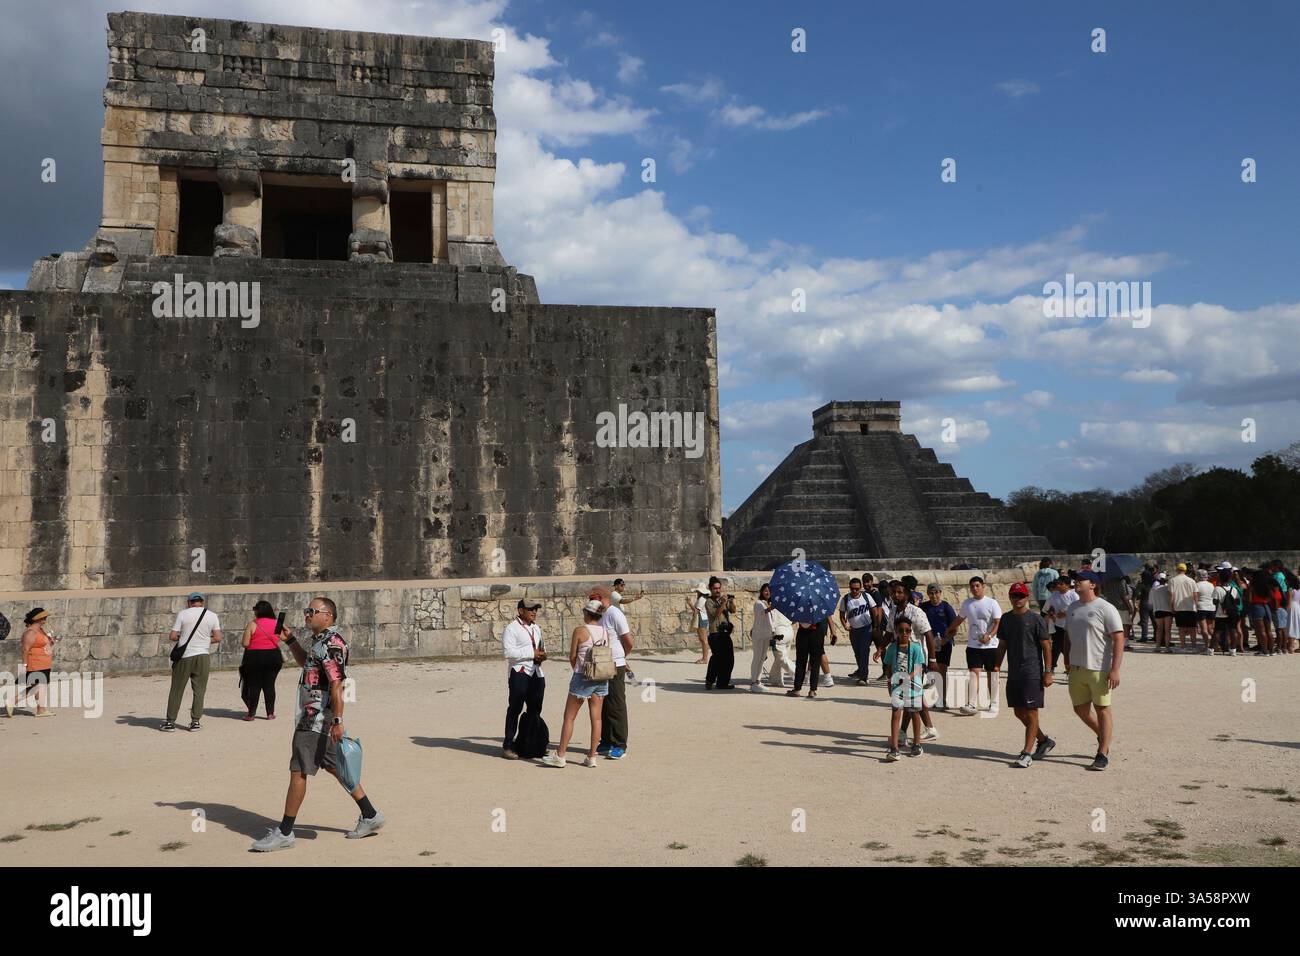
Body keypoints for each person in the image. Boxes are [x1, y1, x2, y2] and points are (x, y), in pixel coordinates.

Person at [250, 597, 384, 851]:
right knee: (336, 767)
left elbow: (336, 684)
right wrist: (290, 641)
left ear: (328, 616)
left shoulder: (332, 644)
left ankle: (285, 832)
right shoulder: (321, 642)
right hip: (316, 717)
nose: (307, 614)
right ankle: (370, 815)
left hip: (315, 718)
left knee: (299, 770)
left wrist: (337, 720)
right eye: (307, 610)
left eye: (312, 611)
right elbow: (309, 667)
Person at [1062, 571, 1124, 772]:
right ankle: (1102, 733)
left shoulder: (1105, 608)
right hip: (1077, 667)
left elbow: (1118, 638)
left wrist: (1115, 669)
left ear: (1093, 585)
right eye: (1076, 579)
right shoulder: (1072, 607)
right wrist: (1066, 658)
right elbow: (1067, 636)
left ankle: (1102, 752)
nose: (1077, 582)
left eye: (1081, 580)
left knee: (1102, 709)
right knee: (1079, 708)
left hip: (1099, 668)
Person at [541, 600, 608, 768]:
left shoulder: (580, 630)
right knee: (597, 718)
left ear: (586, 613)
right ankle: (592, 756)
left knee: (569, 717)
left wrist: (577, 670)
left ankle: (561, 755)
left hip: (582, 676)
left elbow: (572, 656)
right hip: (601, 676)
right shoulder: (605, 631)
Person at [995, 583, 1054, 768]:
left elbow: (1046, 646)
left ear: (1027, 597)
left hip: (1032, 671)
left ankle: (1026, 752)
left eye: (1021, 595)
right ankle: (1044, 740)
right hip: (1013, 672)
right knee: (1018, 712)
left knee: (1031, 711)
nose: (1017, 599)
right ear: (1010, 597)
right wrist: (996, 665)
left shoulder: (1036, 619)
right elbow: (1002, 644)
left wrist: (1048, 672)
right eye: (1014, 595)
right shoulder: (1005, 619)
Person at [163, 593, 222, 732]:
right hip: (203, 655)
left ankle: (170, 722)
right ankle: (195, 721)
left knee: (176, 690)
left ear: (189, 602)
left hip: (185, 655)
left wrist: (183, 637)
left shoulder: (183, 614)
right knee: (199, 691)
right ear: (202, 602)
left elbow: (172, 636)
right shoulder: (212, 615)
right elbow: (218, 637)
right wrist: (204, 641)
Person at [947, 576, 1003, 716]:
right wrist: (947, 631)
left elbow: (998, 622)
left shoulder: (992, 603)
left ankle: (994, 702)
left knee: (992, 674)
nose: (975, 588)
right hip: (973, 645)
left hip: (991, 645)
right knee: (973, 673)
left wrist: (989, 636)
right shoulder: (967, 603)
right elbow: (959, 619)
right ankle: (971, 703)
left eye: (977, 585)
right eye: (972, 586)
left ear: (983, 586)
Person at [591, 586, 633, 758]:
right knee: (603, 703)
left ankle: (619, 743)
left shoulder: (615, 614)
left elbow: (628, 641)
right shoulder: (598, 615)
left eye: (593, 599)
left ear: (601, 598)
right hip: (601, 663)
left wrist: (622, 657)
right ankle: (606, 740)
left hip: (615, 663)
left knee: (616, 704)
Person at [501, 600, 546, 759]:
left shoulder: (536, 628)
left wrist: (541, 655)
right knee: (515, 708)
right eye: (530, 609)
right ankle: (508, 744)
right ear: (521, 611)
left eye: (535, 609)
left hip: (536, 672)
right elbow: (508, 652)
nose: (534, 612)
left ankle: (531, 743)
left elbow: (539, 647)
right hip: (519, 672)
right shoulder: (511, 628)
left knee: (535, 710)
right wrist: (531, 653)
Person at [883, 617, 926, 761]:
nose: (904, 633)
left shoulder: (915, 647)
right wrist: (889, 682)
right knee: (896, 714)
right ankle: (894, 748)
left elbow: (918, 666)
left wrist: (909, 676)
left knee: (914, 714)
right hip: (897, 686)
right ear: (896, 631)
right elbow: (888, 667)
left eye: (907, 630)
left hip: (913, 686)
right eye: (901, 630)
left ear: (911, 631)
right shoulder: (892, 648)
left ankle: (917, 743)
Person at [239, 601, 284, 720]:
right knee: (269, 685)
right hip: (273, 656)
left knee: (254, 685)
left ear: (257, 611)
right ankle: (270, 713)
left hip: (254, 657)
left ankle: (251, 714)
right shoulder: (277, 623)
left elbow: (245, 643)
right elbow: (284, 638)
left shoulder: (252, 624)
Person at [921, 584, 957, 709]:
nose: (934, 595)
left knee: (942, 671)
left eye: (936, 592)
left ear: (940, 593)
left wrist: (945, 640)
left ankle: (942, 699)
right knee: (931, 671)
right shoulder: (924, 607)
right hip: (928, 644)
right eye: (931, 593)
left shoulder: (946, 607)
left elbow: (954, 627)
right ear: (928, 594)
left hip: (944, 644)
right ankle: (933, 697)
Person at [19, 609, 59, 717]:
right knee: (38, 686)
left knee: (40, 686)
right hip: (35, 663)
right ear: (37, 619)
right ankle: (12, 701)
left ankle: (41, 709)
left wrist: (52, 640)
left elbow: (43, 644)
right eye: (43, 617)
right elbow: (25, 650)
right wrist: (24, 666)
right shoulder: (30, 632)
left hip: (44, 663)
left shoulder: (41, 630)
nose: (45, 619)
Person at [838, 577, 877, 685]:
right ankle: (861, 671)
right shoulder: (845, 599)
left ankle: (864, 677)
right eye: (852, 589)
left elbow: (874, 610)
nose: (854, 591)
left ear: (860, 588)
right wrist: (845, 625)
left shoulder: (866, 596)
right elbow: (842, 615)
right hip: (854, 630)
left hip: (866, 628)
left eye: (856, 589)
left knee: (864, 652)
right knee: (857, 653)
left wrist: (876, 626)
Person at [702, 577, 737, 691]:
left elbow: (733, 610)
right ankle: (709, 680)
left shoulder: (723, 599)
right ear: (710, 589)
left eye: (719, 588)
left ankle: (722, 683)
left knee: (729, 659)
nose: (717, 590)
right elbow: (715, 615)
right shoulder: (709, 602)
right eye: (715, 588)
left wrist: (730, 602)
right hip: (715, 634)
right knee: (717, 659)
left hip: (725, 633)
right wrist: (723, 603)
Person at [788, 616, 829, 699]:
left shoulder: (800, 605)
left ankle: (797, 689)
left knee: (800, 662)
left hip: (803, 633)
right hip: (816, 632)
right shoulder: (819, 605)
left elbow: (793, 620)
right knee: (815, 663)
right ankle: (812, 691)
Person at [1043, 574, 1077, 671]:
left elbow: (1079, 607)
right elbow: (1047, 609)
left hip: (1071, 626)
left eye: (1061, 584)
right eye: (1058, 583)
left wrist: (1066, 613)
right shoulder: (1053, 595)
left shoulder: (1073, 595)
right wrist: (1052, 614)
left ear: (1067, 585)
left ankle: (1070, 668)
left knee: (1068, 648)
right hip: (1058, 626)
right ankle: (1053, 667)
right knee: (1057, 647)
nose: (1058, 585)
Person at [765, 599, 797, 688]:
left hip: (779, 632)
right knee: (781, 657)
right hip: (789, 630)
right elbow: (795, 618)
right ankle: (775, 679)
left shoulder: (769, 606)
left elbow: (768, 622)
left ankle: (798, 674)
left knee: (781, 658)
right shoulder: (787, 602)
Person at [1167, 562, 1198, 653]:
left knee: (1181, 628)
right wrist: (1196, 605)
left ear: (1177, 570)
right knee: (1192, 628)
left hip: (1179, 607)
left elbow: (1171, 595)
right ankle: (1193, 646)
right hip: (1191, 607)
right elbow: (1195, 594)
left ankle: (1183, 646)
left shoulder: (1172, 580)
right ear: (1185, 570)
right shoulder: (1191, 580)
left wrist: (1171, 606)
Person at [1212, 568, 1242, 656]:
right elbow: (1237, 601)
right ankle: (1233, 649)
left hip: (1220, 614)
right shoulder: (1234, 589)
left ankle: (1211, 649)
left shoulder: (1217, 589)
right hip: (1232, 614)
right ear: (1230, 578)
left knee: (1217, 632)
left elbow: (1214, 602)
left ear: (1220, 578)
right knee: (1233, 631)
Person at [686, 583, 710, 665]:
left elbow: (696, 611)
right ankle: (704, 658)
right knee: (703, 639)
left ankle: (705, 658)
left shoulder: (702, 599)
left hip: (701, 619)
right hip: (703, 618)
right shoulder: (703, 598)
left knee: (703, 639)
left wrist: (690, 604)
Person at [1149, 571, 1173, 652]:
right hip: (1168, 610)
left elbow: (1150, 602)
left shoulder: (1153, 589)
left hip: (1157, 610)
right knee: (1167, 630)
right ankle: (1167, 647)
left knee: (1159, 629)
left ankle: (1158, 646)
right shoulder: (1168, 588)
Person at [1194, 569, 1216, 655]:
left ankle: (1207, 646)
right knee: (1211, 629)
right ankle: (1216, 644)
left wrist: (1195, 607)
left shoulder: (1197, 585)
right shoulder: (1211, 585)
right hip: (1211, 607)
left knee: (1204, 629)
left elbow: (1196, 597)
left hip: (1201, 607)